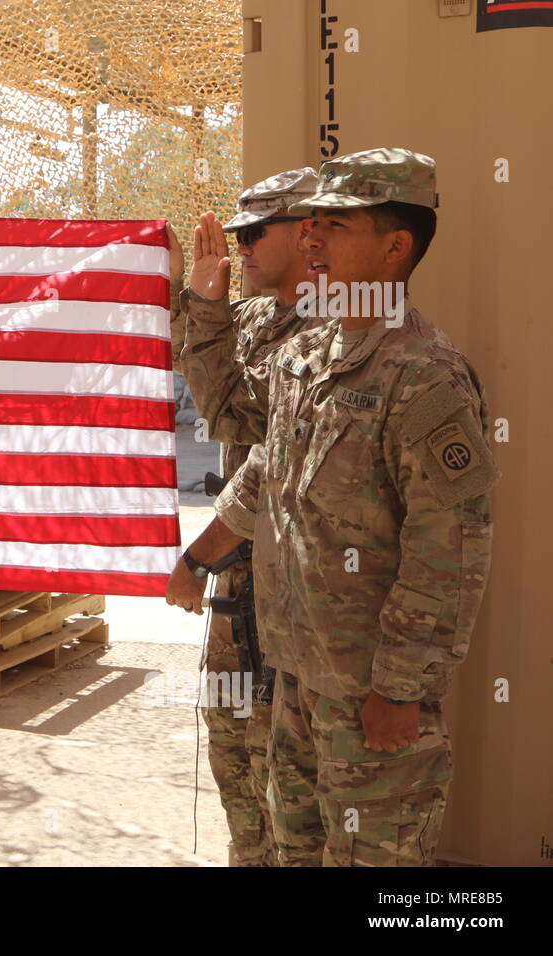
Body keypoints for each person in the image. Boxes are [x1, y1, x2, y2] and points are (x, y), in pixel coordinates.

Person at [166, 147, 498, 866]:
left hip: (366, 696)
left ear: (395, 247)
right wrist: (199, 556)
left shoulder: (424, 376)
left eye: (336, 225)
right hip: (294, 680)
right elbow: (264, 470)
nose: (311, 237)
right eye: (310, 223)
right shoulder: (306, 355)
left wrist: (400, 689)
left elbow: (449, 549)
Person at [167, 167, 319, 867]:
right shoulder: (254, 315)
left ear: (308, 234)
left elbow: (239, 425)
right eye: (238, 233)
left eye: (256, 232)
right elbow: (201, 376)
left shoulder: (330, 331)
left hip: (292, 594)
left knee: (285, 782)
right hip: (238, 587)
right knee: (233, 761)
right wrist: (187, 293)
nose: (242, 247)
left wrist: (196, 557)